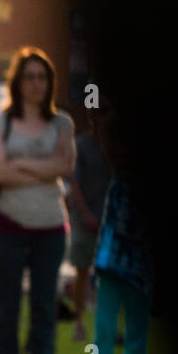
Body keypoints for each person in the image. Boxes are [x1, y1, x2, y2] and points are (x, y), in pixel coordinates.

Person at [0, 47, 76, 354]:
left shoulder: (62, 123)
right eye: (29, 76)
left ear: (50, 82)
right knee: (6, 312)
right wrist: (43, 167)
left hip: (51, 228)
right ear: (18, 82)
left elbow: (66, 166)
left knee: (43, 313)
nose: (36, 84)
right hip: (7, 226)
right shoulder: (0, 123)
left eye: (42, 77)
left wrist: (18, 164)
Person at [89, 109, 152, 354]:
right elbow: (103, 128)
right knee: (104, 331)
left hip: (139, 266)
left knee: (136, 336)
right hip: (112, 261)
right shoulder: (120, 173)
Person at [67, 106, 114, 341]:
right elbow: (74, 184)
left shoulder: (115, 147)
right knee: (82, 270)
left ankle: (109, 326)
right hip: (86, 218)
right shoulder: (83, 146)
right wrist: (85, 214)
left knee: (110, 274)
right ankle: (79, 322)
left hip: (110, 219)